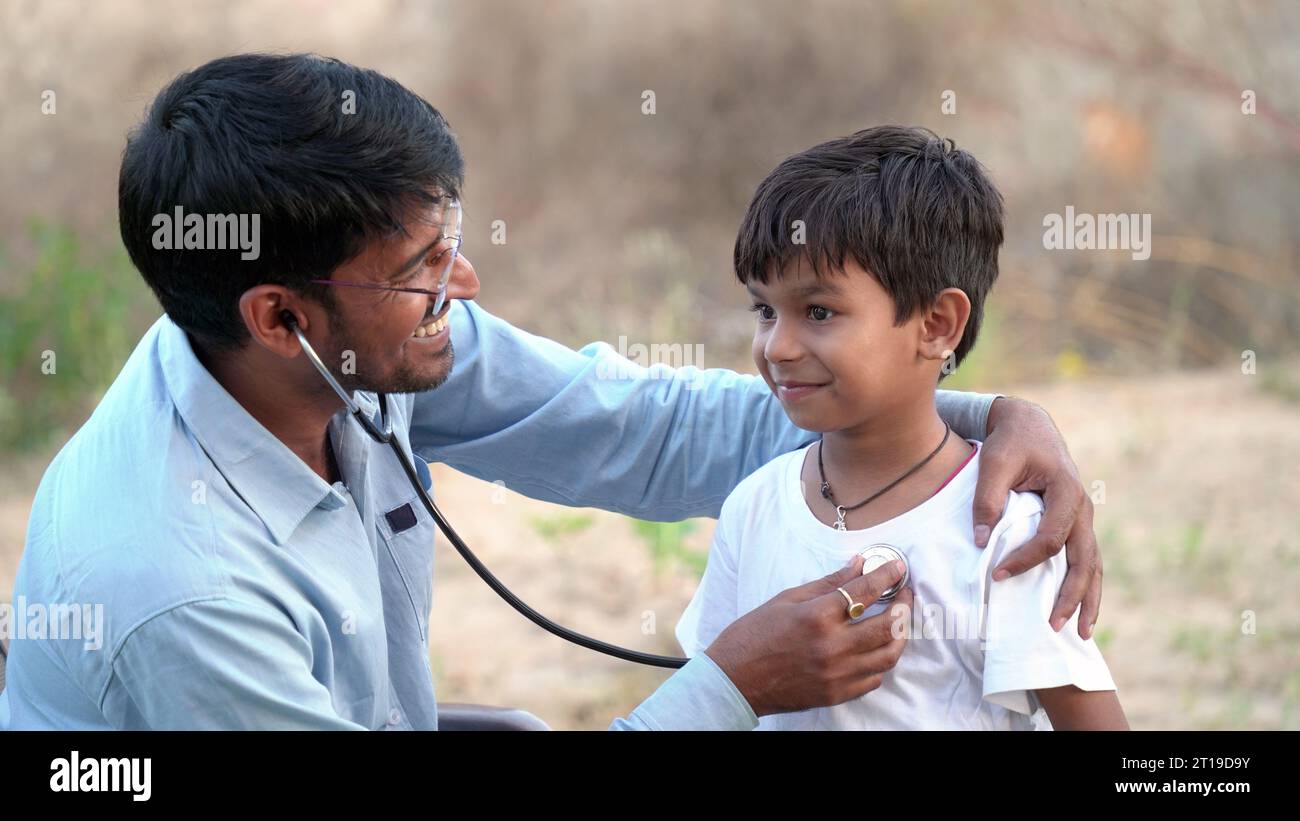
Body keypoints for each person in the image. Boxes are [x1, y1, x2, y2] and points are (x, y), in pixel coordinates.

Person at [0, 55, 1102, 731]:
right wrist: (727, 689)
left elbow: (648, 430)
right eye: (424, 266)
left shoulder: (332, 347)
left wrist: (979, 416)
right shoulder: (181, 590)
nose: (465, 287)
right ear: (280, 317)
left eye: (451, 244)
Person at [675, 126, 1127, 730]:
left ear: (937, 324)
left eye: (818, 311)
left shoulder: (1006, 533)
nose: (777, 346)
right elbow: (717, 699)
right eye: (764, 310)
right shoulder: (753, 507)